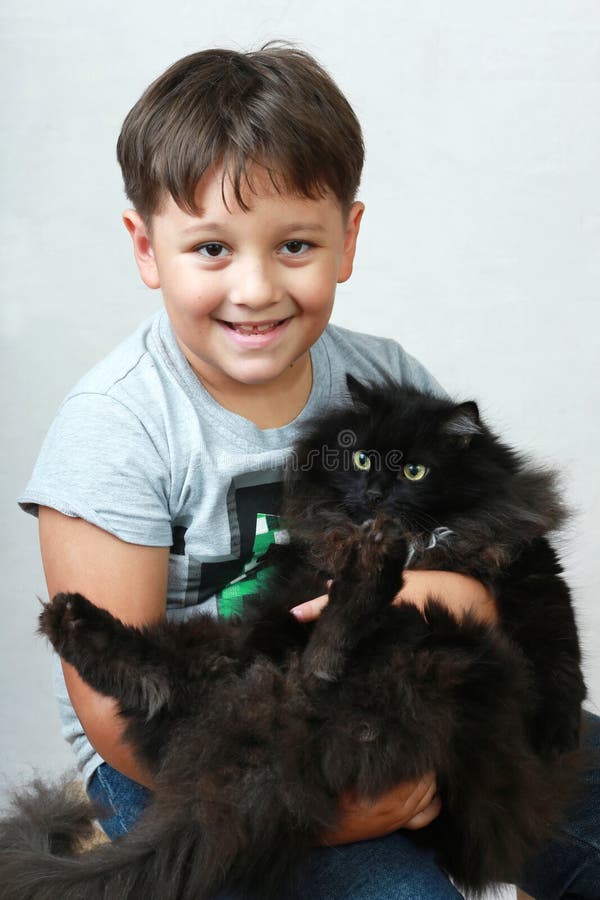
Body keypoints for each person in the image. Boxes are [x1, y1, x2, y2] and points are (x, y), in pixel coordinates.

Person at [19, 44, 599, 899]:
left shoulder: (383, 386)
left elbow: (485, 571)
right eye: (212, 249)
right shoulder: (118, 427)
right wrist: (325, 808)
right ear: (146, 247)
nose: (255, 289)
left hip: (385, 701)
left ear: (347, 239)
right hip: (202, 756)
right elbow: (115, 713)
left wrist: (446, 619)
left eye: (293, 244)